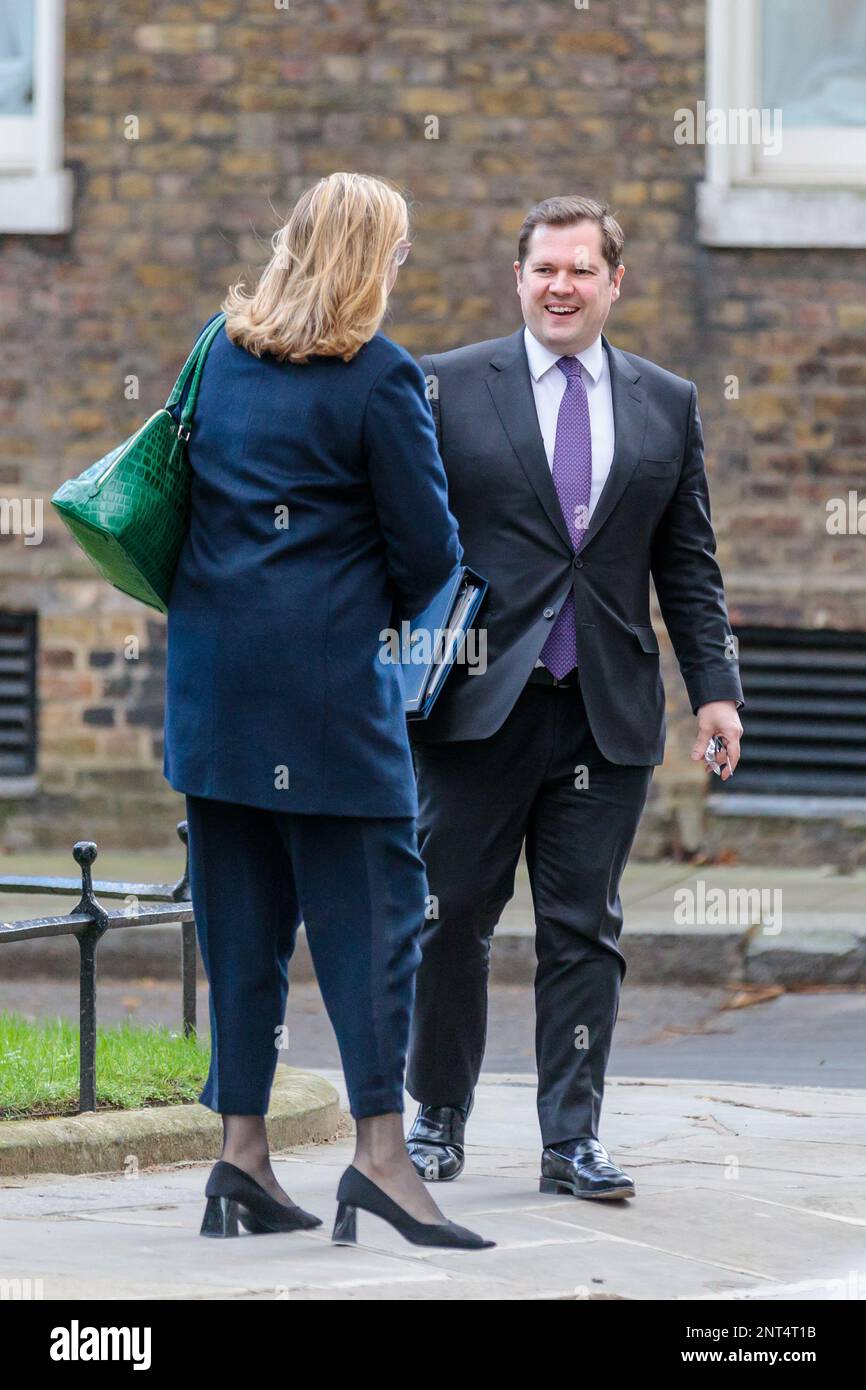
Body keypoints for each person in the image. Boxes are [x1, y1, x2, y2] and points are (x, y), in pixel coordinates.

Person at [163, 171, 493, 1251]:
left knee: (240, 930)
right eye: (393, 256)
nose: (400, 275)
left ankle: (240, 1155)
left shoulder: (217, 353)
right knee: (373, 927)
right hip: (328, 706)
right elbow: (430, 555)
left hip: (213, 694)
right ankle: (381, 1159)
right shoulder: (379, 379)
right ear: (363, 265)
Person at [405, 194, 744, 1200]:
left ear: (613, 281)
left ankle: (569, 1139)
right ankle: (436, 1118)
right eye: (542, 269)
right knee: (450, 914)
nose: (559, 286)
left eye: (579, 270)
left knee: (582, 928)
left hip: (605, 710)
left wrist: (713, 692)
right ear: (518, 278)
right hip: (474, 706)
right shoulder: (444, 386)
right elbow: (405, 541)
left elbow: (687, 564)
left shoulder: (664, 401)